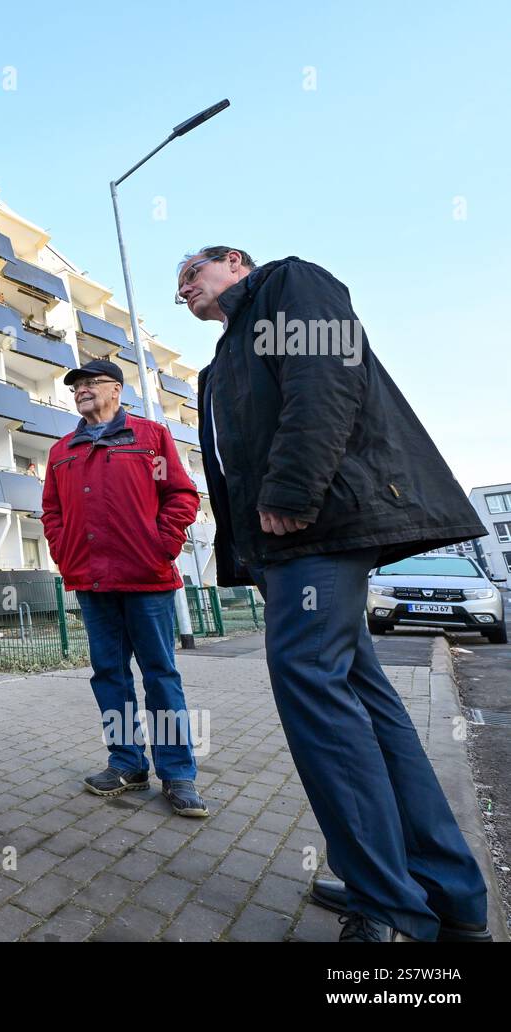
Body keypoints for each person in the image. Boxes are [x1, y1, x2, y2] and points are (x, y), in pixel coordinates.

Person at [178, 245, 490, 942]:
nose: (185, 294)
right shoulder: (221, 360)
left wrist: (291, 491)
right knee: (366, 702)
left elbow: (326, 378)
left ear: (234, 262)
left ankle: (384, 902)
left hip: (317, 525)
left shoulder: (288, 283)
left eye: (190, 277)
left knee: (311, 685)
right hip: (289, 544)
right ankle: (449, 894)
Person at [41, 359, 207, 817]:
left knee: (160, 675)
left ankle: (177, 773)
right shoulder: (62, 451)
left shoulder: (149, 437)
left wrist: (163, 542)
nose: (80, 391)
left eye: (90, 384)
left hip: (147, 576)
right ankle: (127, 764)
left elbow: (181, 494)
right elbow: (51, 512)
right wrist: (63, 552)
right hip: (91, 580)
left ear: (116, 390)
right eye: (74, 386)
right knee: (109, 676)